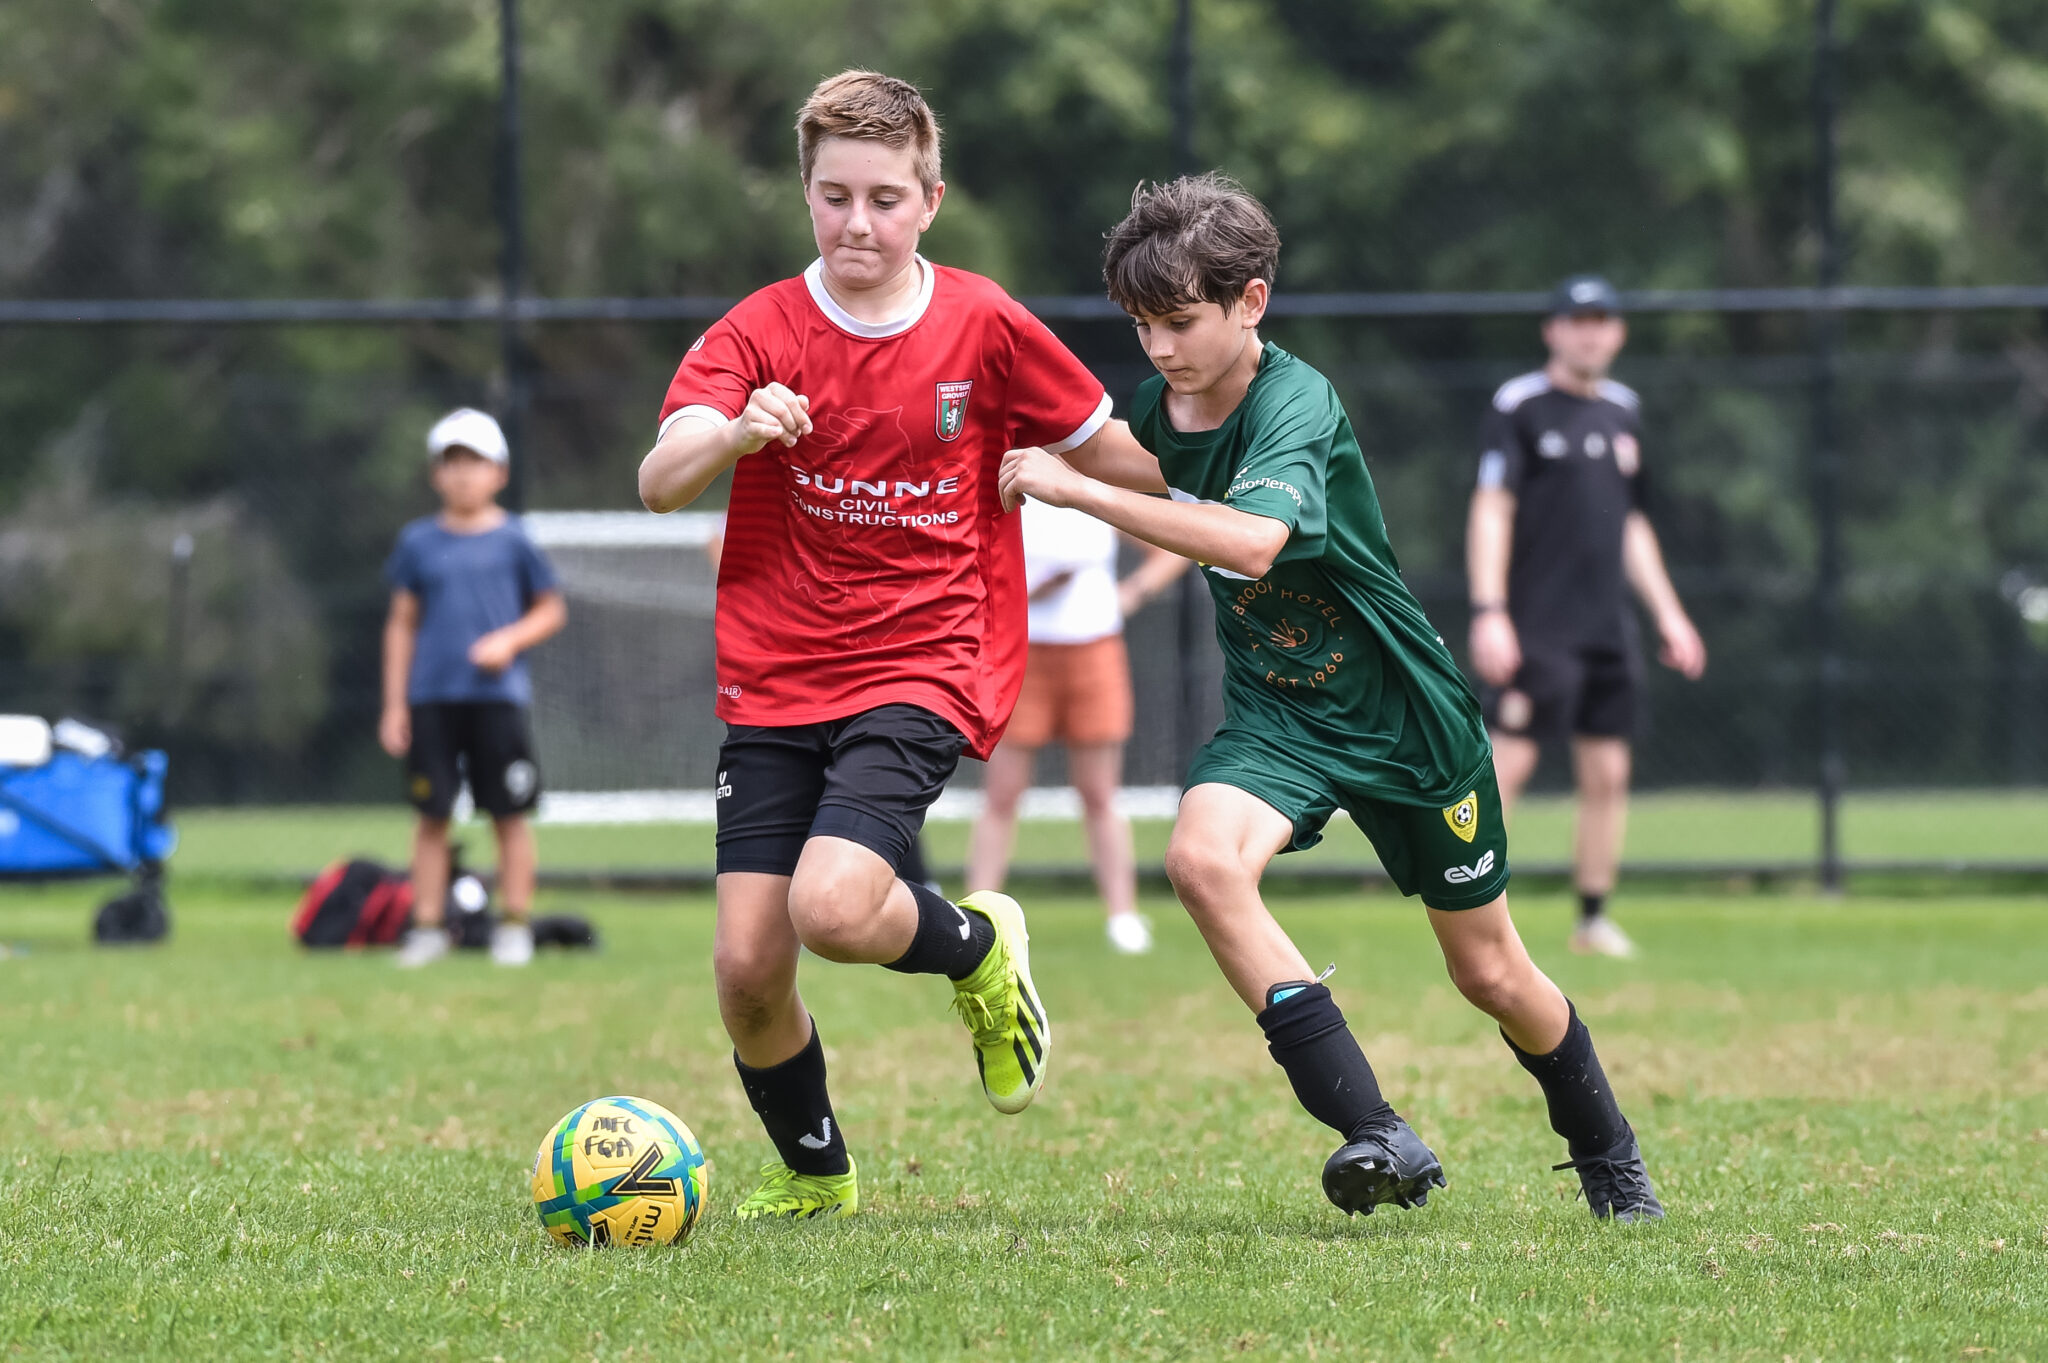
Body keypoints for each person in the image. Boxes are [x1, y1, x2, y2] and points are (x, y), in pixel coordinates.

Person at [1000, 174, 1662, 1221]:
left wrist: (1076, 489)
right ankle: (1379, 1131)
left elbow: (1249, 539)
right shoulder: (1166, 402)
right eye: (1140, 326)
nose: (1159, 348)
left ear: (1250, 302)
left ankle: (1606, 1150)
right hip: (1281, 714)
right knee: (1201, 861)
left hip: (1405, 717)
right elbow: (1119, 449)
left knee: (1490, 973)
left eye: (1180, 322)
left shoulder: (1293, 401)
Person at [638, 71, 1153, 1222]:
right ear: (806, 195)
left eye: (883, 199)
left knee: (829, 909)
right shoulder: (759, 330)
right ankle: (817, 1171)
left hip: (927, 656)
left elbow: (1107, 445)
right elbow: (660, 479)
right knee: (746, 970)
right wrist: (734, 430)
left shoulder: (984, 323)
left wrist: (1234, 467)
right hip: (776, 674)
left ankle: (970, 953)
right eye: (835, 197)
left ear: (929, 200)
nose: (857, 223)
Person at [1466, 276, 1707, 959]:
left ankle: (1592, 920)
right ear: (1553, 330)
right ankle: (1473, 917)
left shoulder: (1623, 411)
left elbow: (1632, 523)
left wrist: (1670, 614)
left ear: (1618, 333)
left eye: (1602, 321)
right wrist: (1490, 612)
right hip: (1536, 625)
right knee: (1503, 770)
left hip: (1608, 629)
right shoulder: (1520, 406)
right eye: (1578, 321)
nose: (1590, 333)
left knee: (1607, 776)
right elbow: (1491, 510)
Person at [380, 407, 567, 969]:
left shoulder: (515, 540)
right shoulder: (417, 543)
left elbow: (550, 609)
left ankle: (514, 925)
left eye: (475, 462)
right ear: (436, 474)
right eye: (452, 462)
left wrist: (508, 640)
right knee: (431, 815)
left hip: (497, 700)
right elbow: (402, 624)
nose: (463, 474)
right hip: (432, 699)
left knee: (508, 815)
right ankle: (427, 927)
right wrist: (395, 704)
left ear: (499, 473)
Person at [965, 500, 1184, 953]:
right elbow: (973, 577)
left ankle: (1123, 917)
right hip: (1020, 653)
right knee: (1002, 795)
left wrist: (1132, 592)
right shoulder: (1005, 495)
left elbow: (1173, 548)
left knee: (1100, 794)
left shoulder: (1095, 492)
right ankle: (975, 918)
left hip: (1095, 650)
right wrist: (1029, 593)